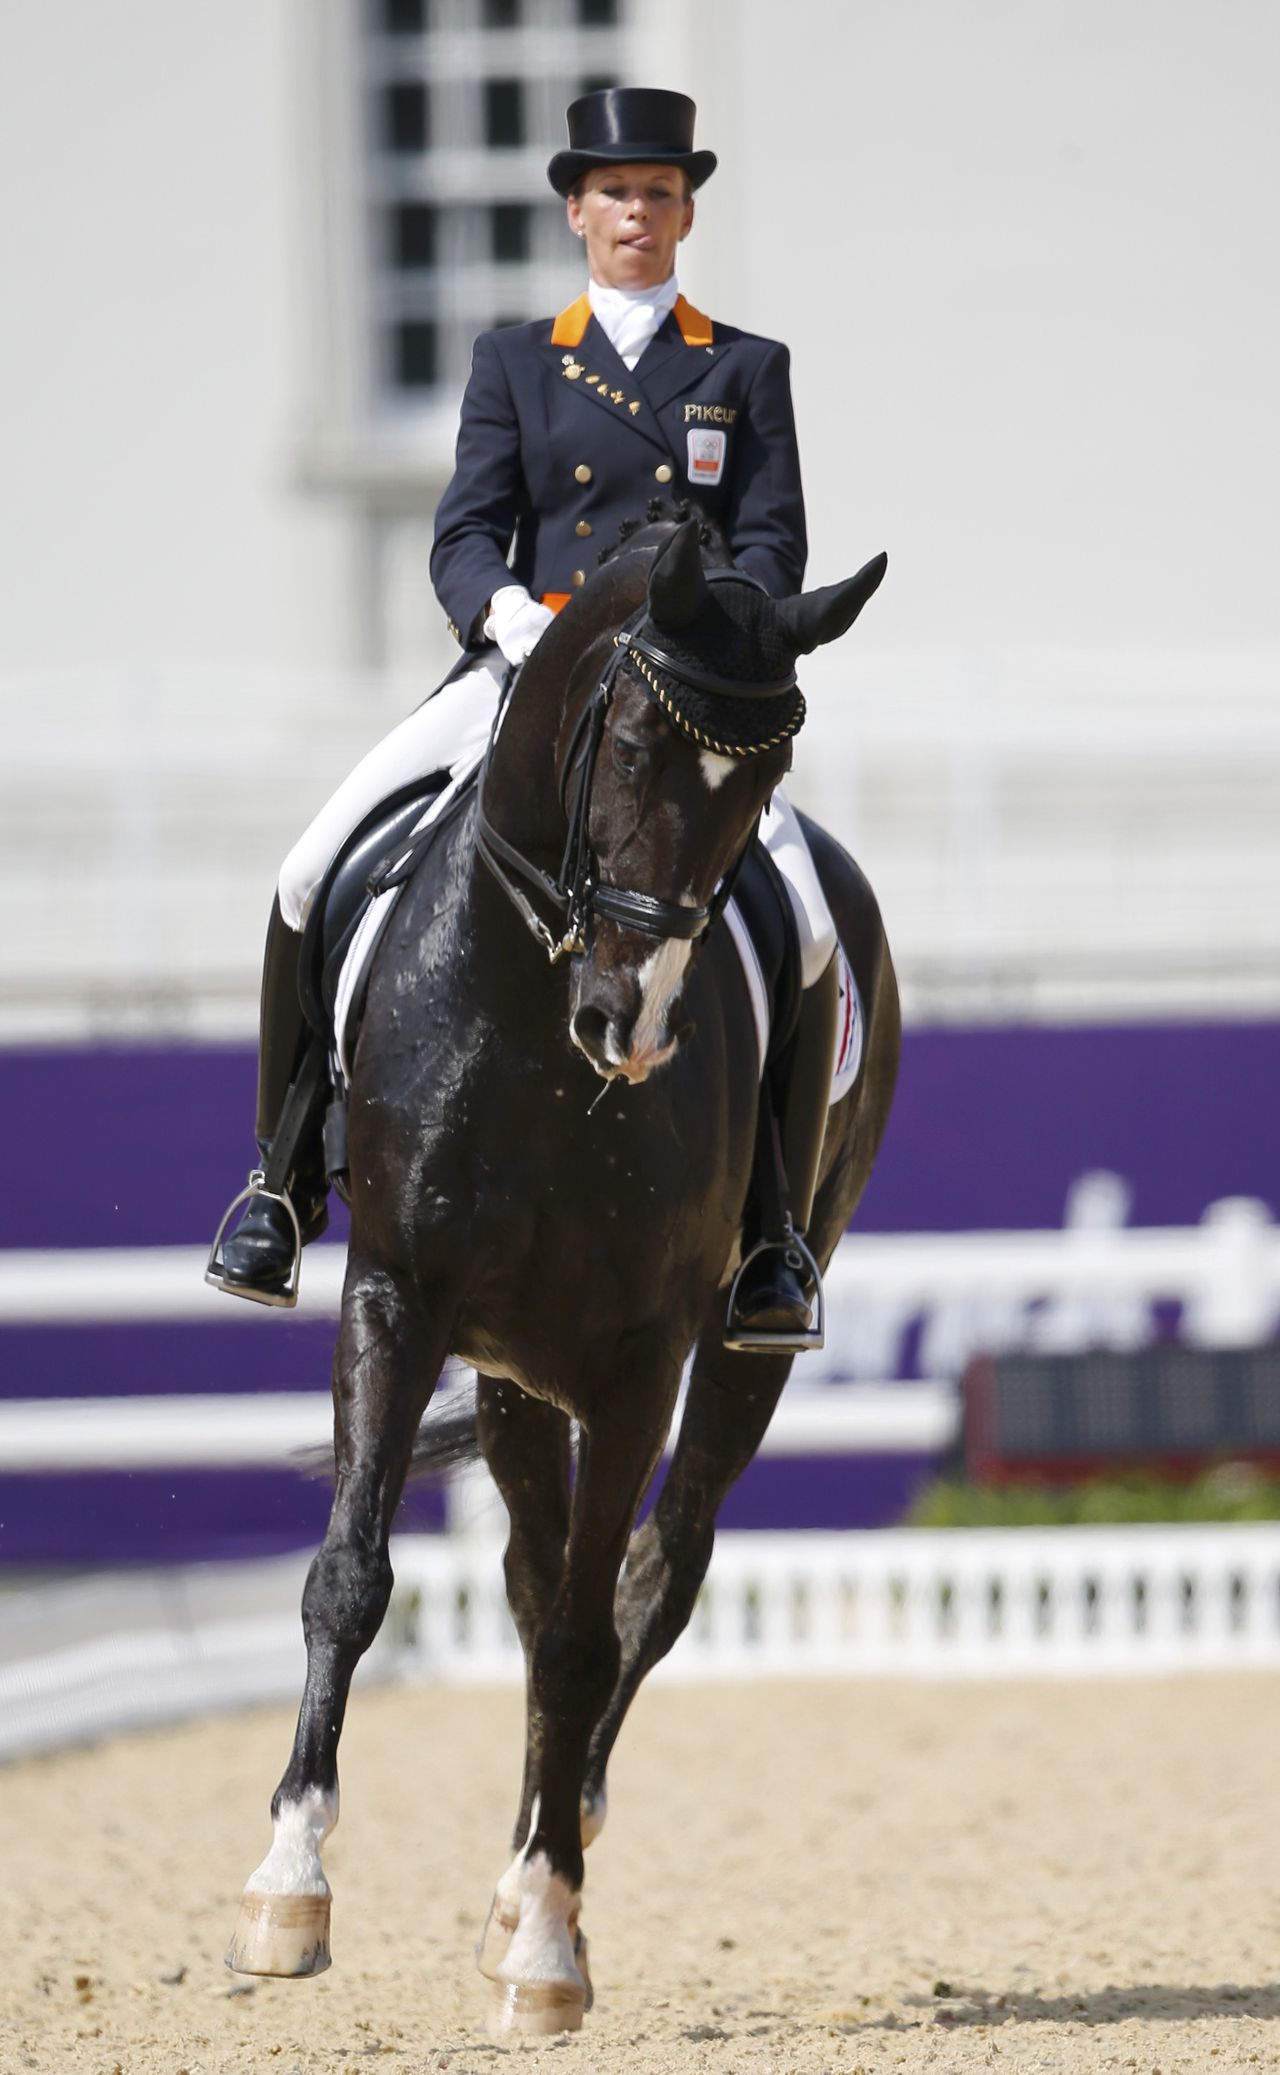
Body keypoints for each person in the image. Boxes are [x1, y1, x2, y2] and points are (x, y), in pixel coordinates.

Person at [209, 87, 839, 1346]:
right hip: (529, 673)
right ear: (577, 210)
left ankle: (770, 1227)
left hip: (680, 702)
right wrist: (512, 623)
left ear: (684, 212)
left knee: (809, 924)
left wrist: (719, 632)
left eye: (658, 195)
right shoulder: (515, 361)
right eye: (616, 195)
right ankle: (280, 1178)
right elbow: (461, 534)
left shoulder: (742, 366)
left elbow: (773, 543)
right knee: (304, 868)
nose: (637, 216)